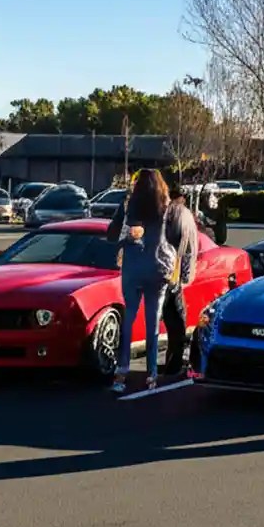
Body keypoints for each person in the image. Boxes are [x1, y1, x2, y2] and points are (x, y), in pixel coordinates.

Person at [105, 169, 177, 394]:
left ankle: (122, 371)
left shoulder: (128, 206)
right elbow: (175, 239)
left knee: (129, 320)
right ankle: (151, 374)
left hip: (133, 268)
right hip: (157, 268)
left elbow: (111, 235)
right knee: (153, 323)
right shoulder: (167, 208)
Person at [159, 188, 200, 377]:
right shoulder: (183, 215)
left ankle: (166, 363)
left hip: (159, 273)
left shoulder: (161, 212)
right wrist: (185, 276)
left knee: (167, 317)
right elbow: (189, 248)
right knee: (177, 318)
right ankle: (175, 363)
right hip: (173, 275)